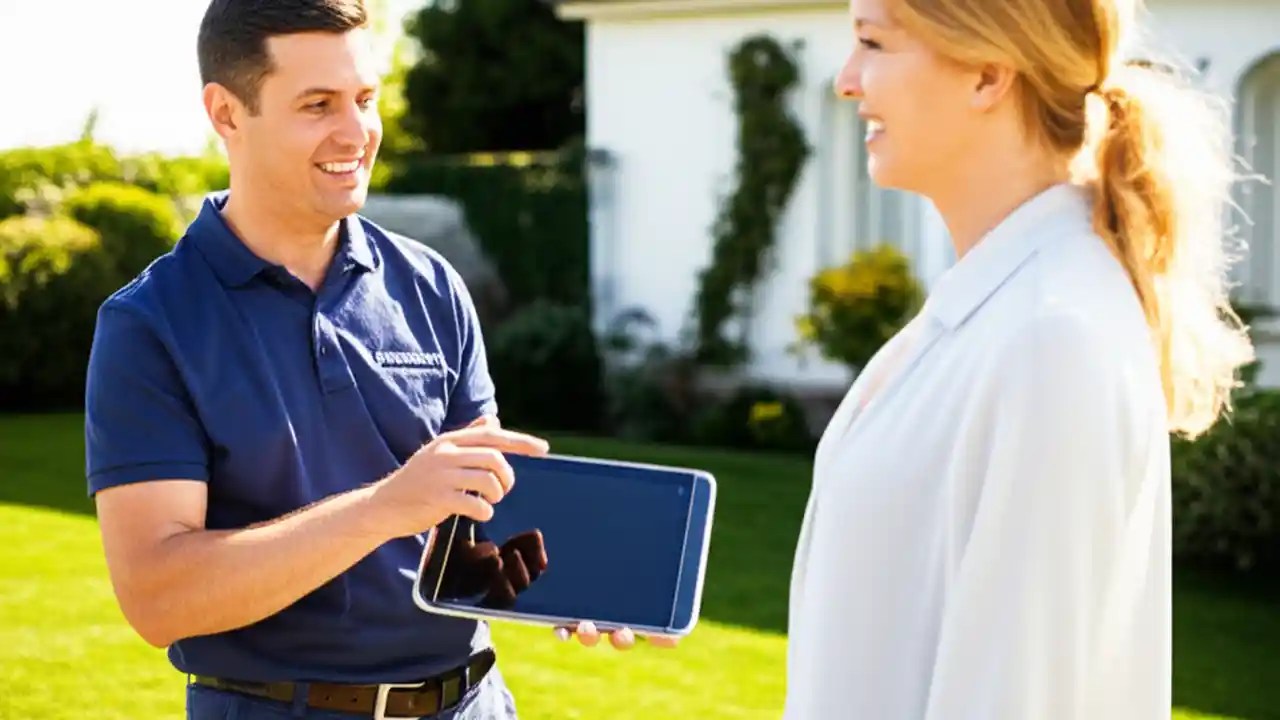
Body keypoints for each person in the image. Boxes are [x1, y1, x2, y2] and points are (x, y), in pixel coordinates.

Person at [84, 2, 668, 718]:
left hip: (473, 703)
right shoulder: (150, 324)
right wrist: (382, 508)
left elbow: (472, 518)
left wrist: (567, 581)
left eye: (364, 98)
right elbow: (158, 598)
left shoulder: (432, 287)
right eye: (317, 104)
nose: (356, 132)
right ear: (227, 113)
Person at [784, 0, 1255, 717]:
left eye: (873, 43)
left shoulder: (1050, 338)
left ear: (989, 75)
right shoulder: (982, 316)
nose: (848, 81)